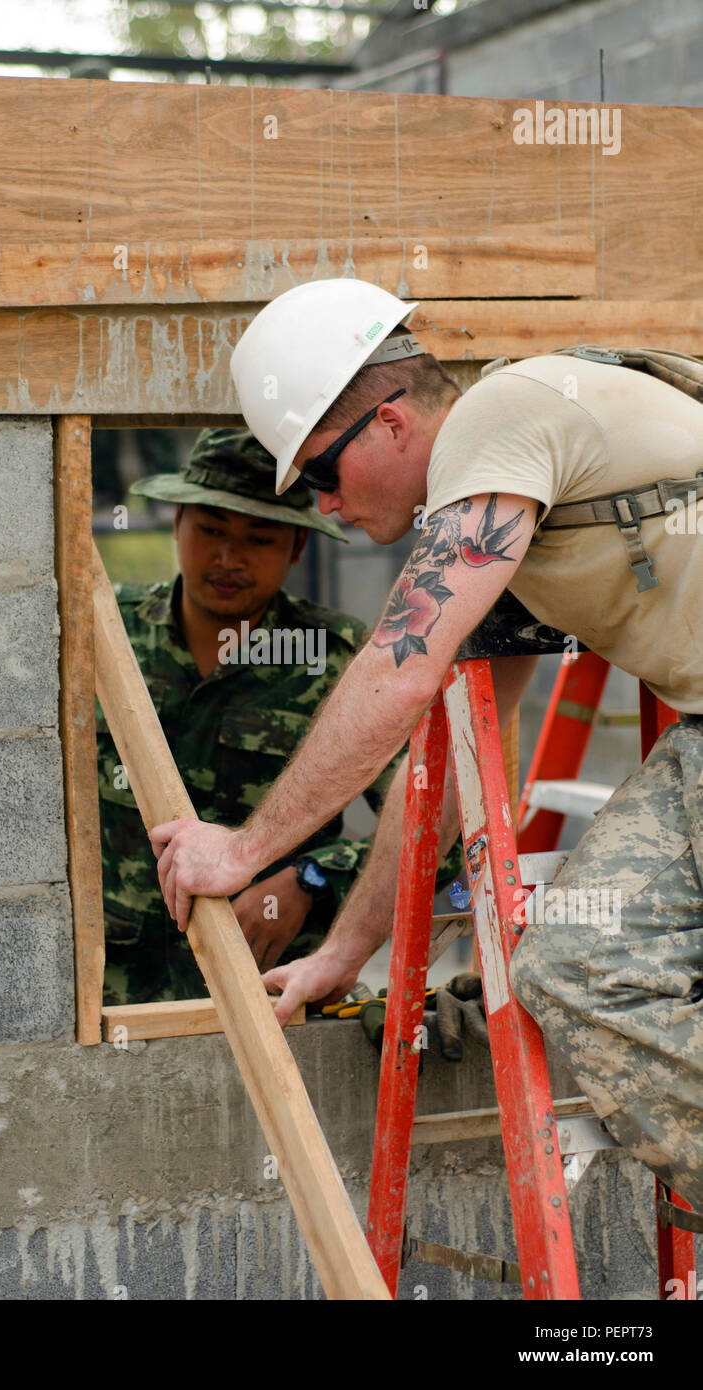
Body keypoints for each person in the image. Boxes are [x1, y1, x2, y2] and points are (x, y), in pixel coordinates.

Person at [150, 278, 703, 1209]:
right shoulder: (516, 498)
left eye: (320, 475)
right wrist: (343, 955)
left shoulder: (503, 414)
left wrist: (241, 851)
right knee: (578, 964)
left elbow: (397, 668)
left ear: (391, 425)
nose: (321, 508)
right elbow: (447, 759)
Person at [97, 425, 463, 1005]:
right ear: (177, 526)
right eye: (210, 530)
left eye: (260, 539)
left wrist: (312, 880)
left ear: (297, 548)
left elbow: (436, 824)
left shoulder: (339, 658)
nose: (227, 558)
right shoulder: (105, 636)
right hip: (108, 994)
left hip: (273, 994)